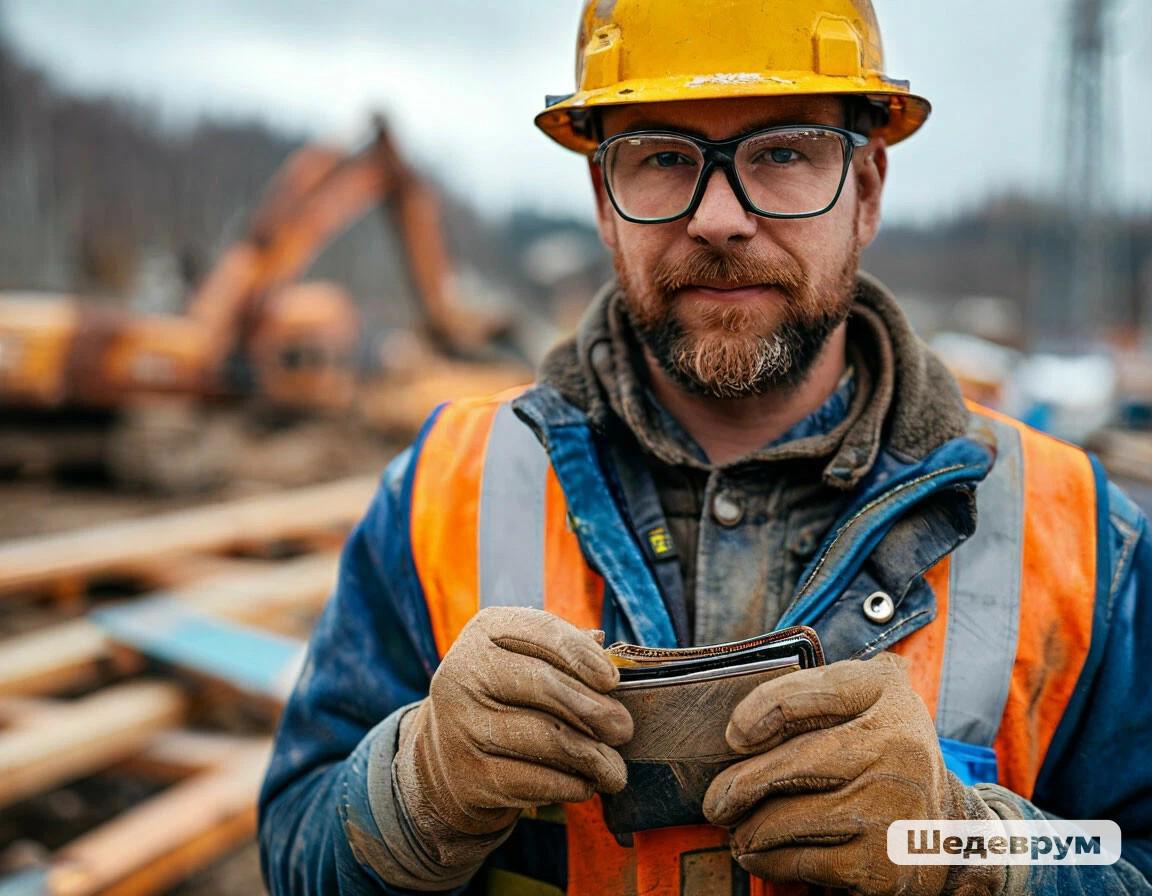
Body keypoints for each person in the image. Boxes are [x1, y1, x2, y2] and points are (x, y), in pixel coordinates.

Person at [258, 1, 1152, 893]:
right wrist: (415, 789)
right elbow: (296, 846)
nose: (719, 217)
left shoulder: (1076, 532)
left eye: (784, 151)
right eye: (660, 158)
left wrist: (958, 849)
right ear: (604, 205)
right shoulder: (443, 489)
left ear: (868, 188)